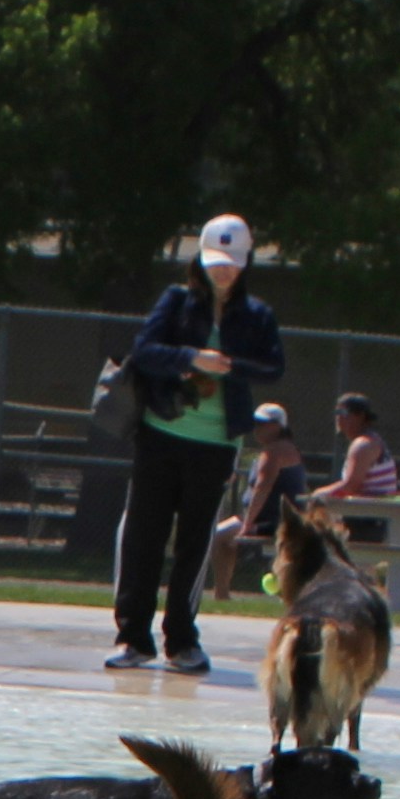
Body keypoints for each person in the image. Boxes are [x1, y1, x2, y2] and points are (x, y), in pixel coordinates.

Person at [108, 212, 280, 672]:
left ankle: (182, 639)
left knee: (195, 541)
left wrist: (230, 365)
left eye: (230, 262)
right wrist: (190, 357)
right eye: (213, 261)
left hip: (214, 444)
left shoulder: (256, 314)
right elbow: (144, 350)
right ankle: (132, 637)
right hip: (161, 434)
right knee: (144, 536)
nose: (221, 269)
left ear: (244, 263)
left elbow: (273, 366)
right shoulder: (177, 300)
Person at [212, 402, 311, 596]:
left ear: (279, 426)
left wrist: (247, 525)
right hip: (266, 518)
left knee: (217, 537)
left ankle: (221, 594)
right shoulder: (283, 449)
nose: (258, 428)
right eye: (256, 422)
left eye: (263, 423)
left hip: (273, 522)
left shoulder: (275, 451)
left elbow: (262, 488)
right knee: (218, 536)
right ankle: (221, 593)